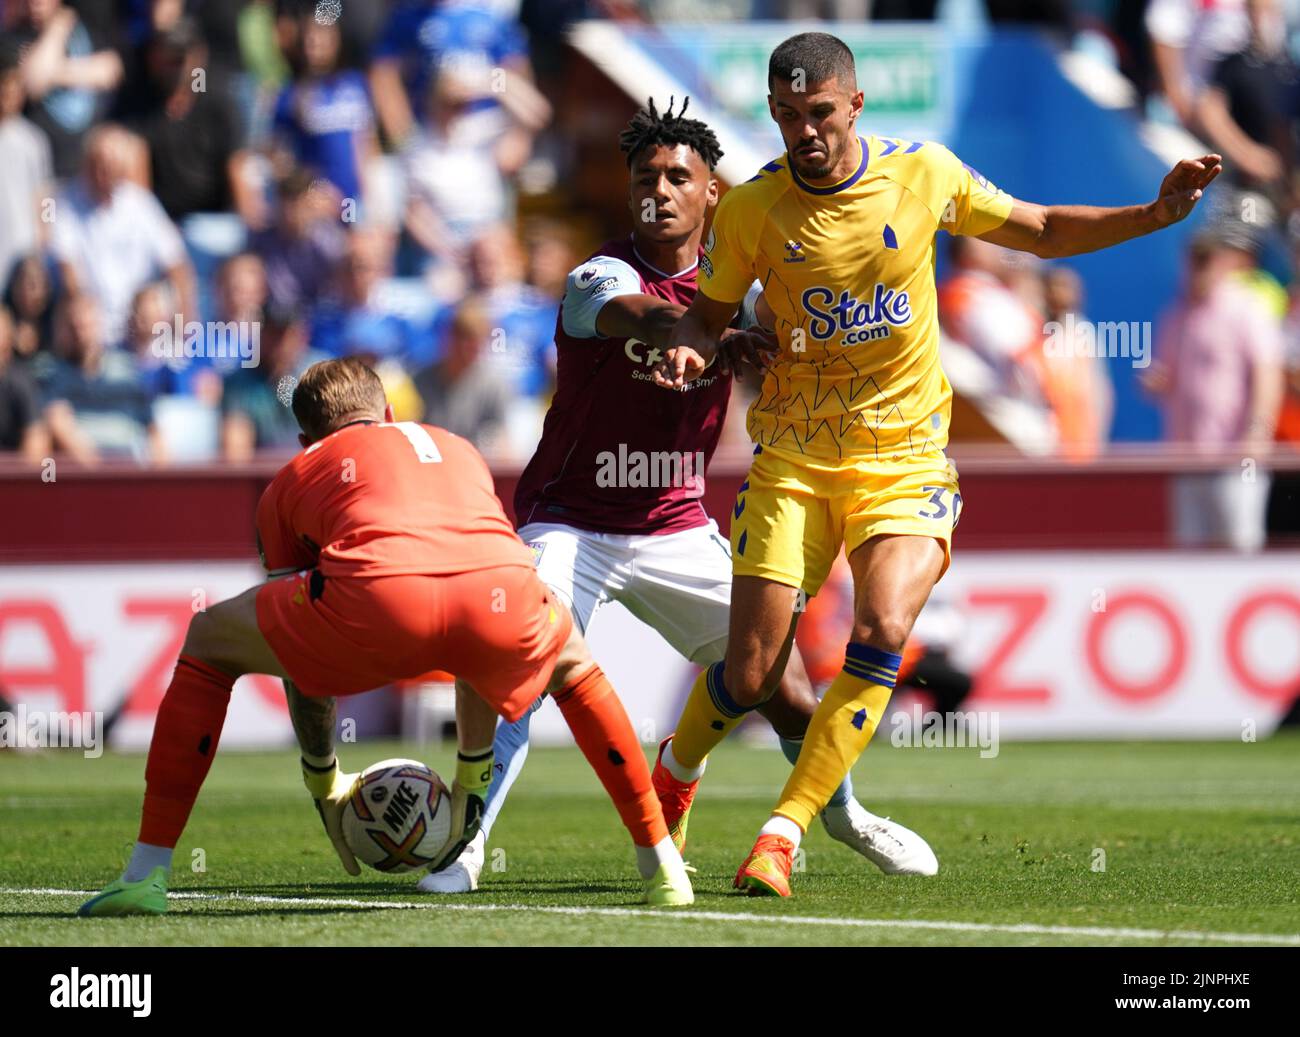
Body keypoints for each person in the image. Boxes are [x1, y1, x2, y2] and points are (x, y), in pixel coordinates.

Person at [652, 31, 1222, 896]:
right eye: (787, 116)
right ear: (771, 113)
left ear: (855, 106)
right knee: (754, 670)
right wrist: (694, 351)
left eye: (819, 113)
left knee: (880, 630)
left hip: (906, 453)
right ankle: (674, 770)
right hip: (795, 458)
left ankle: (781, 833)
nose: (804, 131)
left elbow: (1034, 228)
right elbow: (709, 314)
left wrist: (1151, 215)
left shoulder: (923, 171)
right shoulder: (749, 210)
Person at [421, 97, 936, 896]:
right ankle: (467, 847)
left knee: (780, 681)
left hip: (673, 524)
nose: (656, 190)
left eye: (676, 176)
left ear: (712, 195)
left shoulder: (744, 286)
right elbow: (643, 318)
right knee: (522, 663)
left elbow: (801, 335)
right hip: (570, 524)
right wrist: (708, 338)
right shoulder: (600, 275)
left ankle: (840, 814)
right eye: (643, 176)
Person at [77, 357, 693, 915]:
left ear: (307, 439)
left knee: (209, 640)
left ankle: (146, 874)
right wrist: (470, 784)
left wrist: (324, 783)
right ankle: (661, 863)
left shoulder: (295, 473)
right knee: (574, 663)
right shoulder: (456, 446)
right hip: (502, 596)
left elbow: (300, 660)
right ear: (391, 411)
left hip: (376, 604)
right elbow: (470, 593)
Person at [1143, 228, 1284, 551]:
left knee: (1240, 546)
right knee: (1191, 551)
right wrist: (1158, 382)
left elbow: (1267, 377)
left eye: (1206, 260)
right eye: (1194, 259)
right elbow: (1167, 376)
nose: (1199, 268)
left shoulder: (1247, 309)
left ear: (1222, 262)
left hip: (1235, 457)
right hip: (1187, 458)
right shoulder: (1176, 315)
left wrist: (1256, 435)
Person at [49, 123, 197, 346]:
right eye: (98, 165)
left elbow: (177, 264)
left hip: (140, 325)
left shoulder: (140, 203)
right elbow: (67, 268)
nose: (103, 174)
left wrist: (185, 321)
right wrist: (88, 316)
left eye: (111, 167)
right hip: (93, 325)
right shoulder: (66, 203)